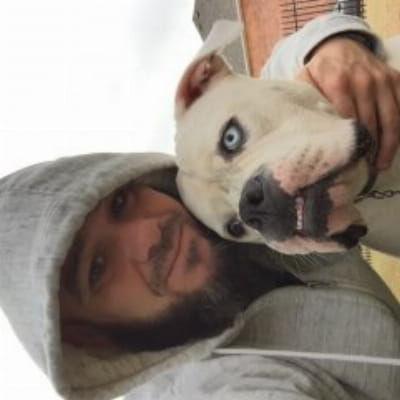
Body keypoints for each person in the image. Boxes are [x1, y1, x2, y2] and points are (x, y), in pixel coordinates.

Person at [0, 12, 399, 400]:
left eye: (120, 203)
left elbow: (267, 91)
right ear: (90, 338)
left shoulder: (215, 217)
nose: (149, 232)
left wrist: (328, 46)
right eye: (98, 268)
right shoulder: (211, 383)